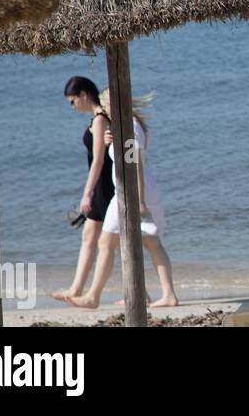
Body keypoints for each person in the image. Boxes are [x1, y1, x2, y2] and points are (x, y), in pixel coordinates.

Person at [66, 90, 177, 308]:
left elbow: (134, 163)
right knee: (130, 242)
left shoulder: (130, 125)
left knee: (138, 242)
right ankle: (150, 294)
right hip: (128, 191)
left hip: (133, 192)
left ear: (115, 104)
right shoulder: (126, 126)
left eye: (106, 106)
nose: (104, 111)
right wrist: (112, 141)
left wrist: (139, 199)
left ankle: (95, 296)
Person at [50, 76, 116, 302]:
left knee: (113, 239)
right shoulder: (96, 120)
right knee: (90, 235)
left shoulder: (99, 120)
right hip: (100, 184)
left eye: (72, 101)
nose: (72, 106)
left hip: (105, 185)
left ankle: (139, 293)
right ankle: (76, 289)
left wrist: (86, 193)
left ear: (84, 95)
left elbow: (98, 160)